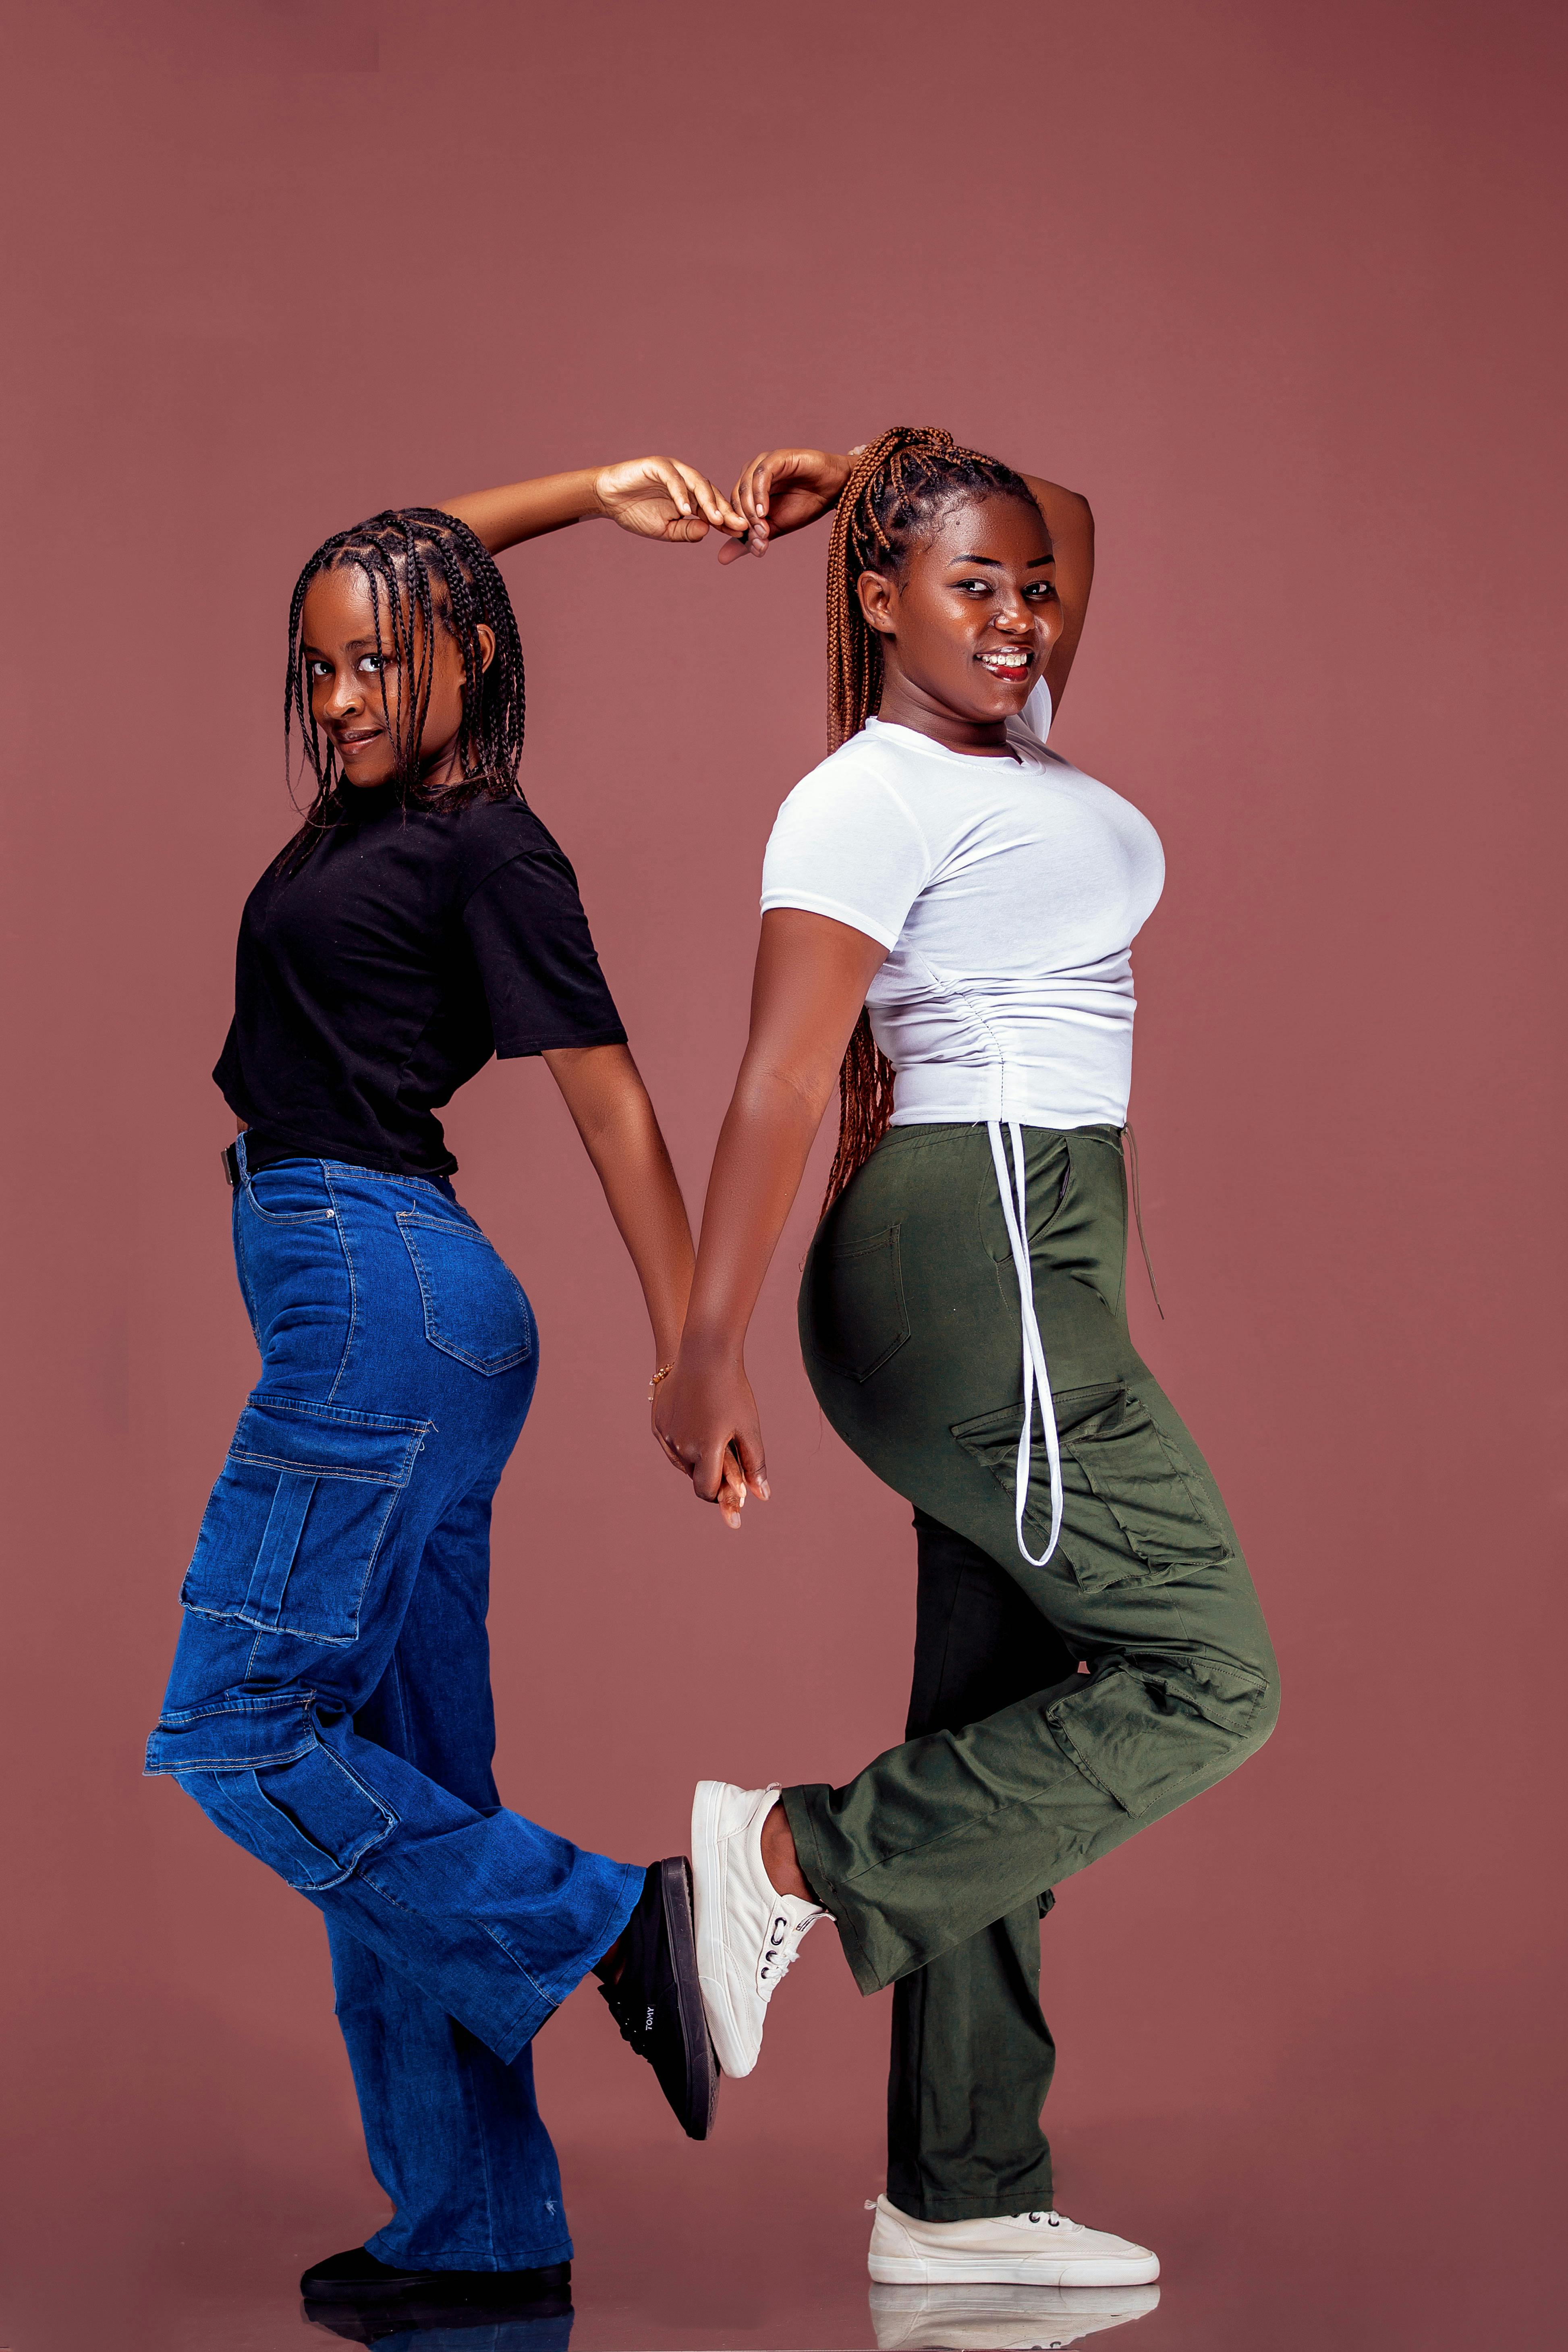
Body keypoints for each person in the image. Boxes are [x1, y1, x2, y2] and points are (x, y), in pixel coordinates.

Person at [656, 429, 1280, 2289]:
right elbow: (778, 1073)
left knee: (1001, 1717)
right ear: (876, 603)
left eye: (1026, 592)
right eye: (964, 587)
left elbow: (1065, 517)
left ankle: (961, 2184)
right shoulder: (864, 794)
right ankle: (783, 1858)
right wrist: (704, 1342)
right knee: (1209, 1670)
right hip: (971, 1247)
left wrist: (876, 468)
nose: (1017, 618)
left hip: (1032, 1242)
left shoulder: (1004, 729)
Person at [145, 456, 748, 2318]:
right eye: (312, 668)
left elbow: (613, 1102)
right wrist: (593, 487)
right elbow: (419, 559)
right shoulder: (375, 796)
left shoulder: (494, 844)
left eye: (371, 668)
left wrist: (693, 1349)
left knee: (247, 1723)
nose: (335, 701)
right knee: (405, 1775)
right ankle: (480, 2233)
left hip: (379, 1291)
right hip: (388, 1303)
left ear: (466, 661)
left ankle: (618, 1923)